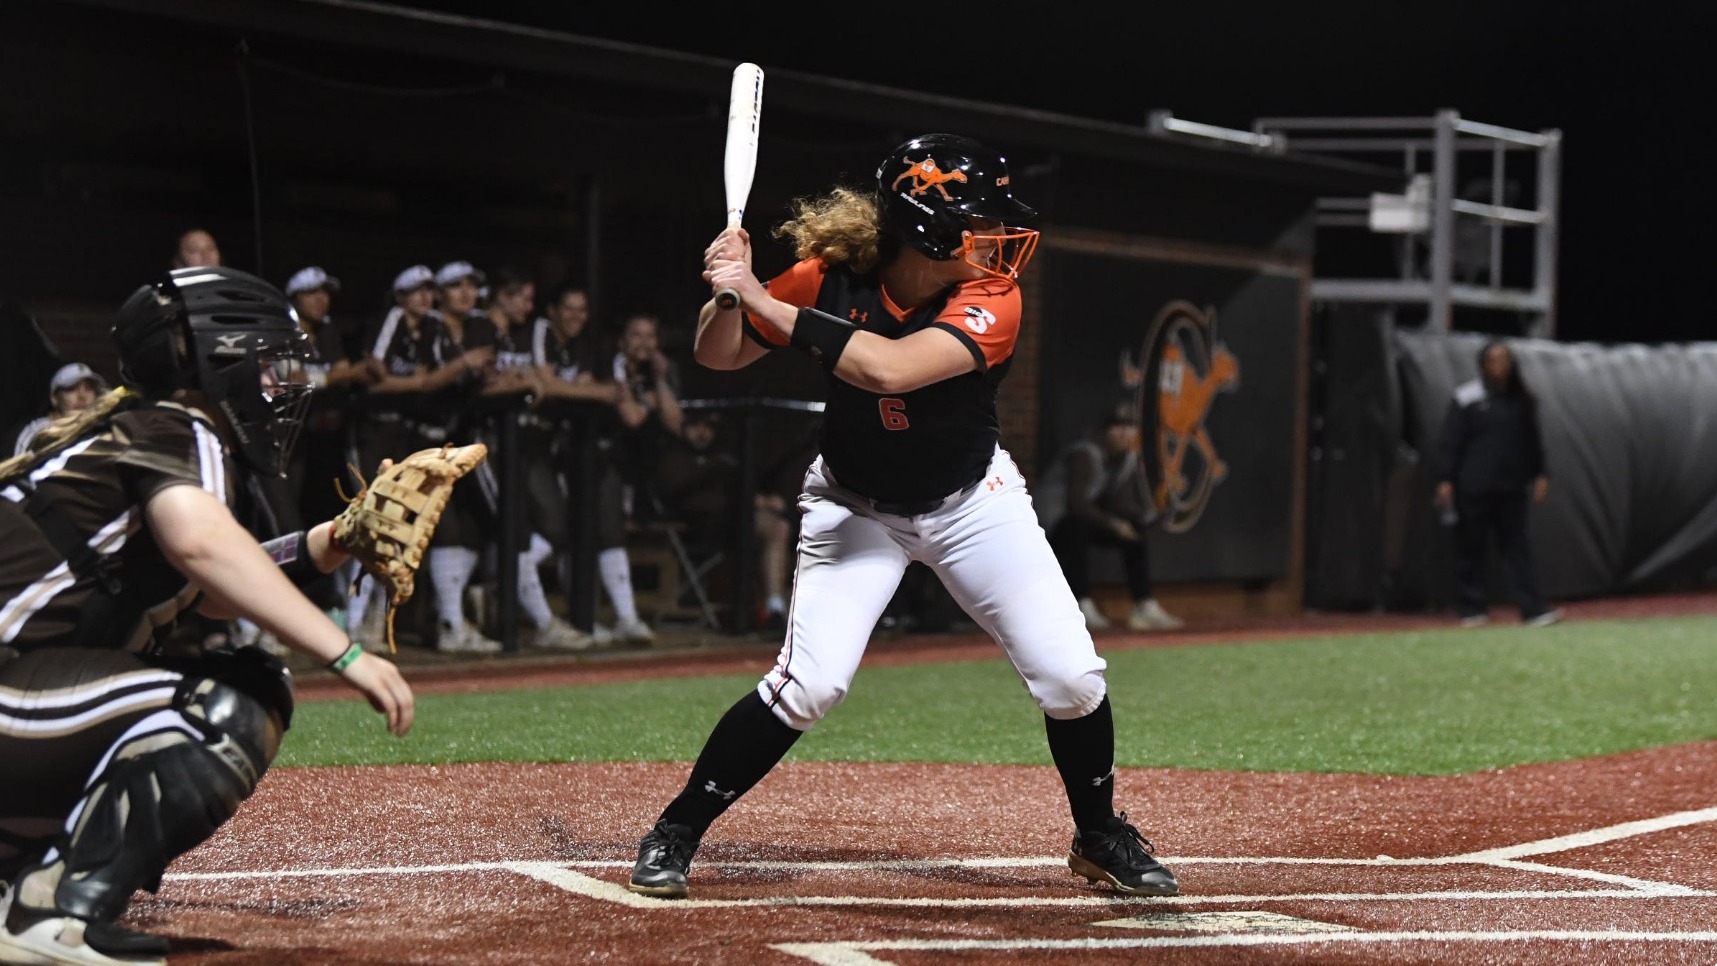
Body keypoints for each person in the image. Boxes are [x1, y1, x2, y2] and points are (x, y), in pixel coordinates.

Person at [625, 133, 1177, 900]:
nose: (995, 238)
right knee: (807, 687)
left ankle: (1097, 835)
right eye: (978, 223)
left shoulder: (993, 295)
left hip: (969, 502)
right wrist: (728, 289)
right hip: (854, 508)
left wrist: (762, 299)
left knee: (1070, 676)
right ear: (926, 230)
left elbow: (890, 368)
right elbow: (719, 355)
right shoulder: (830, 276)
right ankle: (675, 832)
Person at [0, 266, 414, 966]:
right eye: (271, 360)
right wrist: (347, 653)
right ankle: (50, 913)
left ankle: (18, 875)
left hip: (18, 696)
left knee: (239, 677)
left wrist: (333, 541)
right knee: (223, 706)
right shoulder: (177, 425)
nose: (286, 381)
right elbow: (202, 548)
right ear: (217, 362)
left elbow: (217, 581)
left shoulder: (141, 429)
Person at [1434, 339, 1562, 628]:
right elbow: (1450, 441)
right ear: (1482, 364)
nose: (1498, 365)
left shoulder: (1522, 399)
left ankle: (1533, 610)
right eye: (1492, 360)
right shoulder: (1467, 397)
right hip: (1474, 487)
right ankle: (1472, 609)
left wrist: (1540, 473)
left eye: (1504, 359)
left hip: (1511, 487)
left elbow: (1532, 441)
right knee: (1471, 548)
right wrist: (1446, 478)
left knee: (1518, 548)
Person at [1038, 399, 1183, 632]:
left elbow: (1120, 503)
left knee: (1134, 531)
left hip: (1082, 523)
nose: (1124, 434)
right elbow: (1077, 503)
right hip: (1047, 525)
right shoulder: (1084, 454)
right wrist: (1114, 525)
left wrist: (1148, 517)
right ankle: (1080, 603)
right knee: (1076, 527)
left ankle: (1144, 605)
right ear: (1104, 432)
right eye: (1117, 428)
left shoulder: (1126, 459)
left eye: (1129, 427)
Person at [653, 409, 792, 630]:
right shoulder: (673, 455)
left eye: (709, 427)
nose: (703, 432)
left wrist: (761, 500)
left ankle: (775, 608)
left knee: (779, 525)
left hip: (732, 525)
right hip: (695, 530)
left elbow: (743, 488)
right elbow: (684, 497)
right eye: (696, 425)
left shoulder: (724, 456)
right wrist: (743, 500)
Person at [11, 362, 108, 457]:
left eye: (89, 388)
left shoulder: (101, 432)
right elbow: (17, 471)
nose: (82, 396)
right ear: (54, 399)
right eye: (71, 388)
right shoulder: (37, 433)